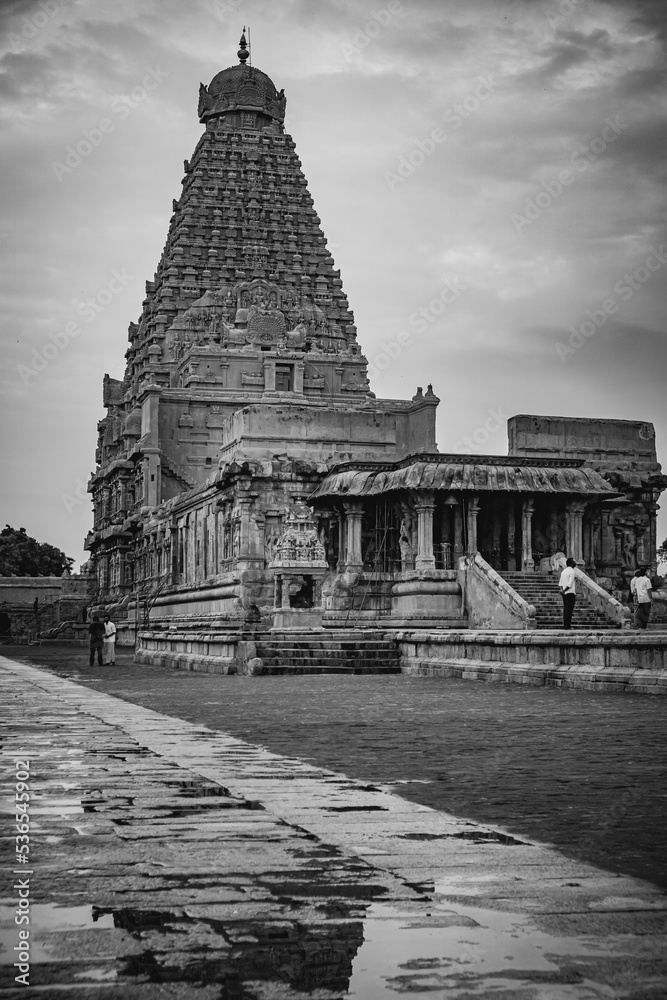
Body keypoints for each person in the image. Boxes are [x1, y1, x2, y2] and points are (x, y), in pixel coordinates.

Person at [558, 557, 577, 629]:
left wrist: (562, 590)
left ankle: (566, 625)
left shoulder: (563, 571)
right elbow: (569, 584)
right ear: (571, 563)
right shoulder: (572, 571)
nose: (575, 563)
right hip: (570, 592)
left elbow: (560, 583)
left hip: (564, 593)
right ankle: (567, 626)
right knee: (569, 610)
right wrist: (564, 590)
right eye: (573, 562)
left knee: (566, 609)